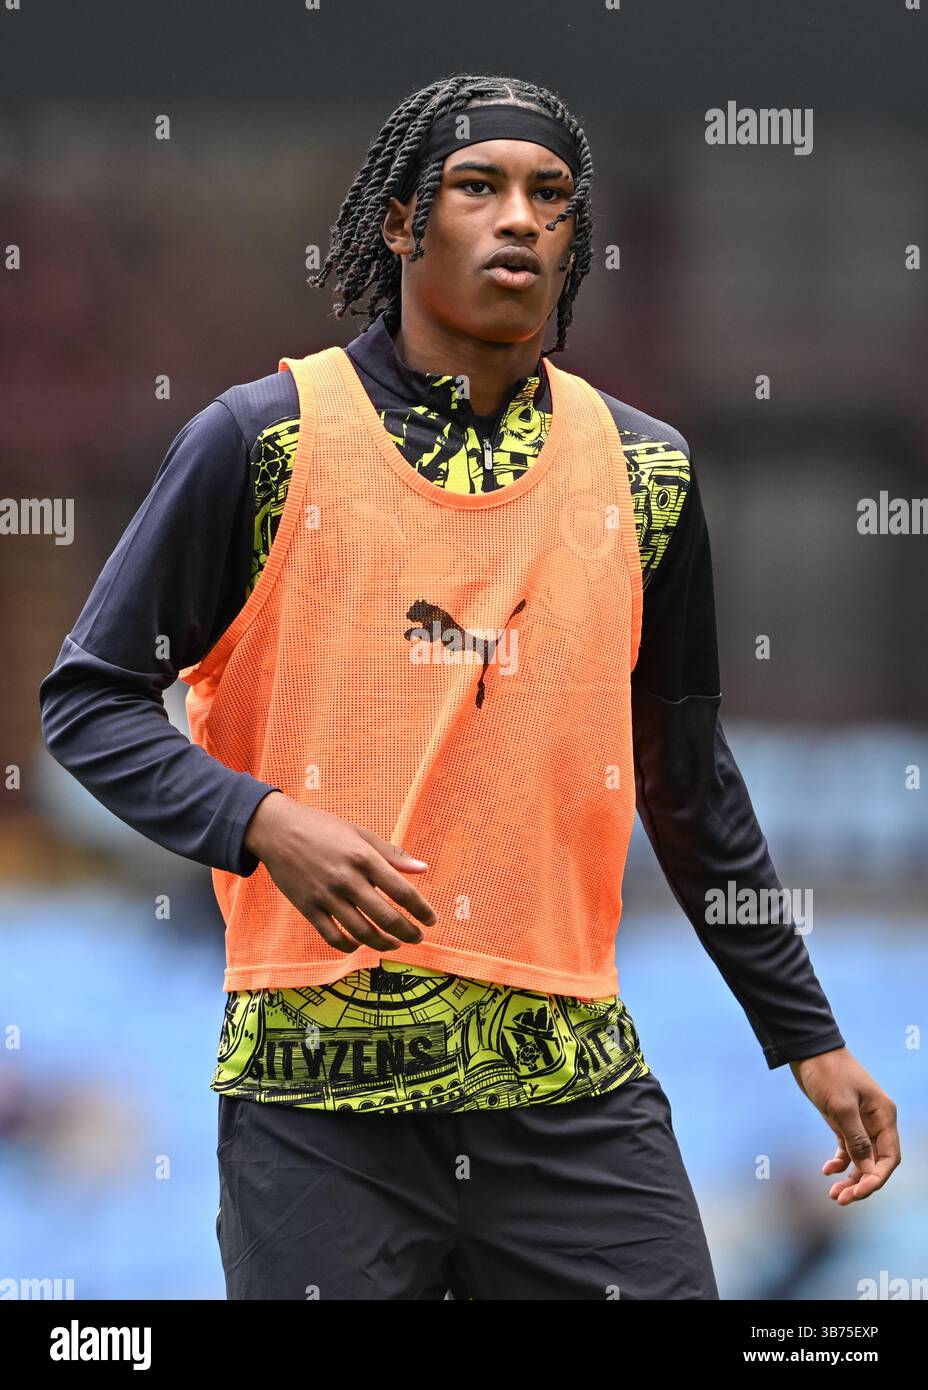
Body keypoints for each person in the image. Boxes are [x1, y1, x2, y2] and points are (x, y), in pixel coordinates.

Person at [39, 71, 899, 1301]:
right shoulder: (258, 440)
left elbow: (687, 776)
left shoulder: (647, 473)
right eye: (476, 186)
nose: (518, 218)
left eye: (550, 196)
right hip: (316, 1105)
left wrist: (803, 1033)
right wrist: (259, 822)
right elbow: (89, 700)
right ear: (400, 223)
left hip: (571, 1099)